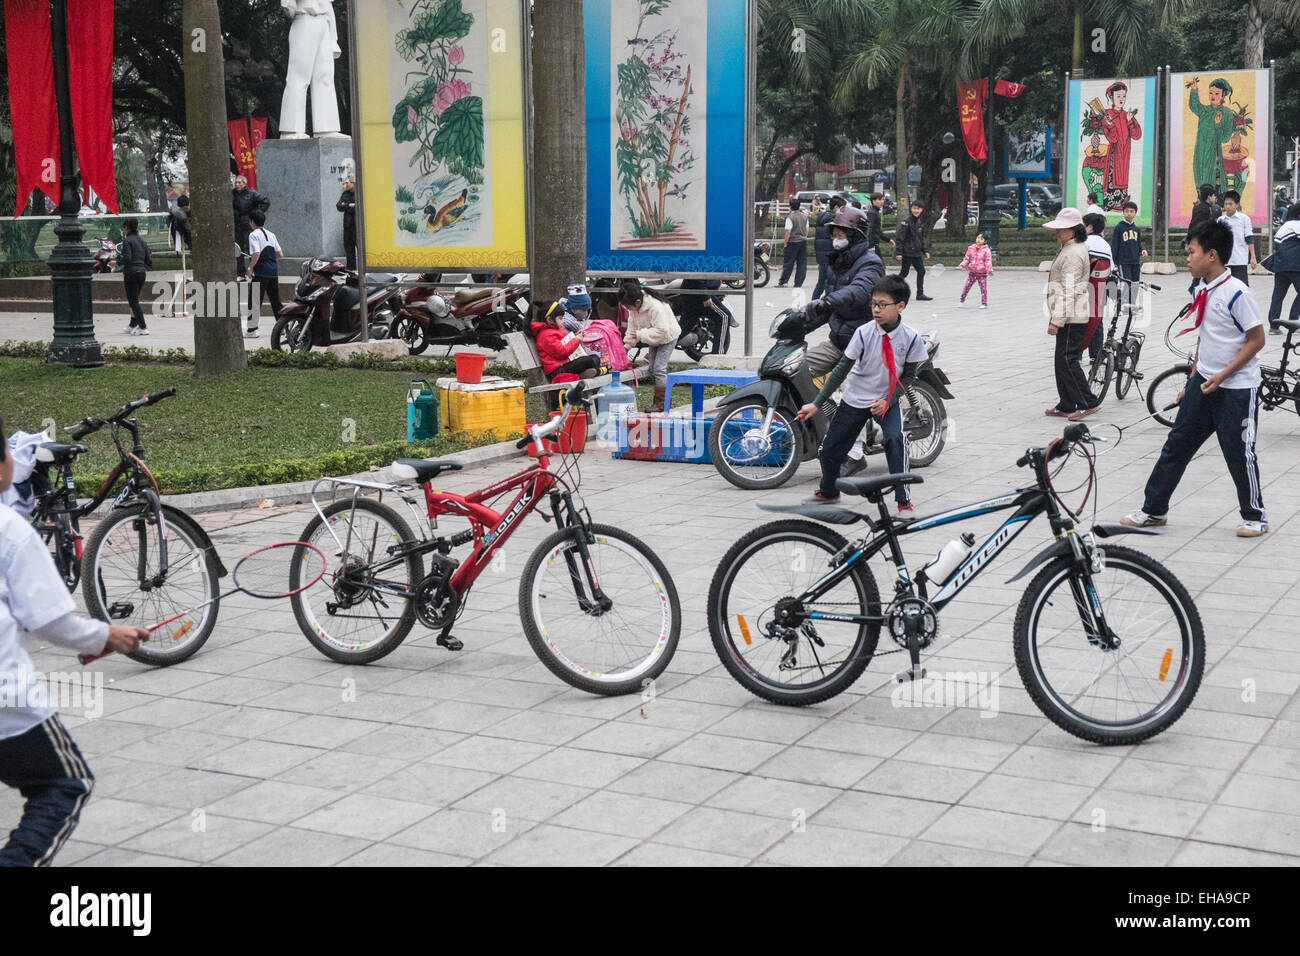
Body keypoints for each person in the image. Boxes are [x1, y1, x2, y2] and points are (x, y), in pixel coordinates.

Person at [0, 417, 150, 866]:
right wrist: (109, 635)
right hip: (8, 706)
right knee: (65, 784)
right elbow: (52, 623)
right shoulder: (10, 533)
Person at [1120, 221, 1268, 537]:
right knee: (1176, 446)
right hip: (1203, 384)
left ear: (1212, 255)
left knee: (1238, 453)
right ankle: (1153, 510)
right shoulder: (1203, 288)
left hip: (1237, 389)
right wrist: (1192, 381)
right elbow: (1205, 336)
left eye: (1192, 252)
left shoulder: (1237, 292)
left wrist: (1223, 375)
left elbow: (1257, 340)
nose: (1188, 258)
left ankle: (1255, 516)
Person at [796, 275, 927, 512]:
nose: (876, 310)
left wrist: (889, 400)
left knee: (895, 440)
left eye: (882, 305)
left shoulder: (911, 338)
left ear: (901, 306)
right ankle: (828, 491)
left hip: (886, 400)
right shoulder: (864, 333)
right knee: (829, 449)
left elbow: (908, 376)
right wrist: (816, 404)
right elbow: (841, 370)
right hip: (855, 397)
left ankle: (903, 500)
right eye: (873, 303)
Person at [1043, 207, 1100, 420]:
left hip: (1071, 316)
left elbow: (1069, 290)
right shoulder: (1070, 248)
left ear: (1074, 230)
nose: (1058, 232)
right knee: (1062, 360)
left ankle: (1087, 401)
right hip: (1069, 314)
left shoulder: (1074, 253)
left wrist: (1057, 321)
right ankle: (1067, 403)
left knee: (1068, 360)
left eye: (1062, 229)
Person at [620, 279, 680, 413]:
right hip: (653, 337)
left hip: (668, 337)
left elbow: (662, 331)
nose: (627, 309)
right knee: (652, 368)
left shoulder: (655, 307)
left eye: (628, 307)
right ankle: (660, 400)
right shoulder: (633, 308)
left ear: (637, 302)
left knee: (659, 369)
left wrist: (640, 334)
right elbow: (632, 329)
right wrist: (625, 347)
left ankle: (662, 404)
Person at [530, 300, 602, 383]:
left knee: (595, 358)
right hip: (557, 371)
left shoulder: (556, 330)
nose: (562, 321)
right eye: (560, 318)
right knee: (589, 361)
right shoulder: (545, 335)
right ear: (550, 320)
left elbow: (566, 343)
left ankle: (583, 374)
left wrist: (575, 336)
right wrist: (576, 339)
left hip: (565, 364)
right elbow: (561, 352)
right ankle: (580, 375)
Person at [1101, 81, 1141, 205]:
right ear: (1112, 97)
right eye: (1118, 96)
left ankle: (1121, 202)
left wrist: (1130, 121)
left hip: (1125, 153)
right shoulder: (1107, 115)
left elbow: (1137, 135)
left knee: (1123, 177)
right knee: (1114, 178)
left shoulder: (1127, 115)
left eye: (1123, 96)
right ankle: (1111, 203)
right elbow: (1112, 139)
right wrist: (1111, 125)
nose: (1121, 99)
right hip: (1114, 154)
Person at [246, 209, 283, 338]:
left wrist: (250, 268)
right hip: (273, 271)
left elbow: (256, 253)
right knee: (276, 301)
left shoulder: (253, 235)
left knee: (255, 300)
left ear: (252, 221)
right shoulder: (271, 234)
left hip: (260, 272)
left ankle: (252, 330)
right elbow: (280, 254)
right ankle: (282, 327)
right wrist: (269, 260)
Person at [1083, 212, 1114, 364]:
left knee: (1080, 320)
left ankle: (1077, 353)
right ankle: (1095, 354)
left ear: (1089, 227)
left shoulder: (1084, 242)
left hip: (1085, 287)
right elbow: (1111, 269)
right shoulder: (1106, 245)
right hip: (1101, 287)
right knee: (1097, 321)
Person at [1266, 202, 1300, 333]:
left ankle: (1273, 326)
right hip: (1294, 265)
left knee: (1278, 295)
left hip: (1280, 265)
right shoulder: (1297, 224)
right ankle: (1294, 321)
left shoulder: (1285, 225)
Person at [117, 218, 152, 336]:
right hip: (142, 273)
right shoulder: (142, 241)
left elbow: (127, 258)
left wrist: (116, 263)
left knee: (133, 302)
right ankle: (133, 324)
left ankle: (143, 326)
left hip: (131, 274)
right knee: (134, 300)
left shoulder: (127, 241)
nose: (123, 230)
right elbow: (148, 259)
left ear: (127, 227)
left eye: (123, 227)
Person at [1110, 200, 1147, 307]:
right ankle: (1124, 304)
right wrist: (1114, 262)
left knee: (1135, 283)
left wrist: (1142, 250)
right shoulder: (1119, 227)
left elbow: (1138, 243)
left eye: (1132, 211)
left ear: (1135, 213)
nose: (1129, 213)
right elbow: (1115, 245)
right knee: (1126, 282)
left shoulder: (1136, 229)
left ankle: (1132, 303)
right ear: (1123, 212)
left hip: (1135, 261)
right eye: (1127, 211)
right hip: (1123, 261)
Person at [232, 175, 270, 278]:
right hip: (236, 226)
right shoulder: (232, 194)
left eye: (239, 182)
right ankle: (240, 273)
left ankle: (253, 270)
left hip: (248, 225)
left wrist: (256, 214)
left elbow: (265, 201)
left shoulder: (251, 193)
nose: (237, 184)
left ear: (245, 184)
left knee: (251, 249)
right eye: (236, 182)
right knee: (238, 250)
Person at [893, 201, 932, 300]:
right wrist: (899, 252)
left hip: (917, 253)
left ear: (921, 210)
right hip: (907, 252)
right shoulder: (906, 222)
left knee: (921, 271)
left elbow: (921, 238)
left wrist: (925, 251)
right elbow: (900, 238)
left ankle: (920, 294)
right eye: (914, 208)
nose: (916, 210)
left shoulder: (919, 222)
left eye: (918, 209)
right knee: (904, 273)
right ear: (911, 209)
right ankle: (892, 290)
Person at [1186, 184, 1219, 294]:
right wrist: (1190, 241)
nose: (1215, 198)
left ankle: (1194, 287)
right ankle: (1195, 287)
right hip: (1200, 242)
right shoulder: (1202, 209)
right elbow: (1194, 225)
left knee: (1203, 264)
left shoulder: (1206, 207)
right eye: (1214, 196)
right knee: (1202, 264)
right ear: (1209, 197)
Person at [1218, 190, 1256, 284]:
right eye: (1226, 204)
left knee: (1242, 286)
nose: (1227, 206)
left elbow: (1249, 238)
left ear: (1237, 204)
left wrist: (1253, 257)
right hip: (1224, 261)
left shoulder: (1244, 219)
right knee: (1225, 287)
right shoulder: (1220, 220)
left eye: (1230, 204)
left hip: (1239, 260)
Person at [811, 195, 844, 300]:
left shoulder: (822, 218)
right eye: (842, 207)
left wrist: (819, 260)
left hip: (822, 256)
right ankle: (822, 304)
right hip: (830, 255)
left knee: (822, 282)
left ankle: (814, 303)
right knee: (828, 283)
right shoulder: (833, 220)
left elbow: (817, 241)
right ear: (836, 207)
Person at [777, 197, 809, 288]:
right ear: (799, 206)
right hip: (803, 241)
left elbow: (788, 232)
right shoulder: (805, 216)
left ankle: (784, 282)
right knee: (802, 263)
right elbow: (807, 229)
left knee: (789, 263)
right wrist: (804, 237)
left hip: (793, 242)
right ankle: (798, 283)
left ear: (790, 206)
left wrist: (785, 243)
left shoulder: (790, 217)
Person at [956, 232, 993, 309]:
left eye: (981, 239)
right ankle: (961, 301)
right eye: (978, 238)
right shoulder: (971, 248)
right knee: (966, 287)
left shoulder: (986, 250)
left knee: (983, 289)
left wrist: (989, 270)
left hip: (982, 274)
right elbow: (967, 259)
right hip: (972, 273)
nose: (979, 240)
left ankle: (984, 303)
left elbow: (988, 261)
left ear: (985, 241)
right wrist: (962, 265)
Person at [336, 177, 357, 270]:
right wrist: (350, 205)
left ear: (353, 183)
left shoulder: (359, 194)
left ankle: (364, 270)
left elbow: (361, 206)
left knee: (361, 249)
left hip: (358, 227)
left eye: (347, 183)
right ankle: (351, 270)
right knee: (349, 248)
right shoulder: (345, 194)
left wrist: (347, 205)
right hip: (348, 226)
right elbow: (339, 206)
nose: (346, 185)